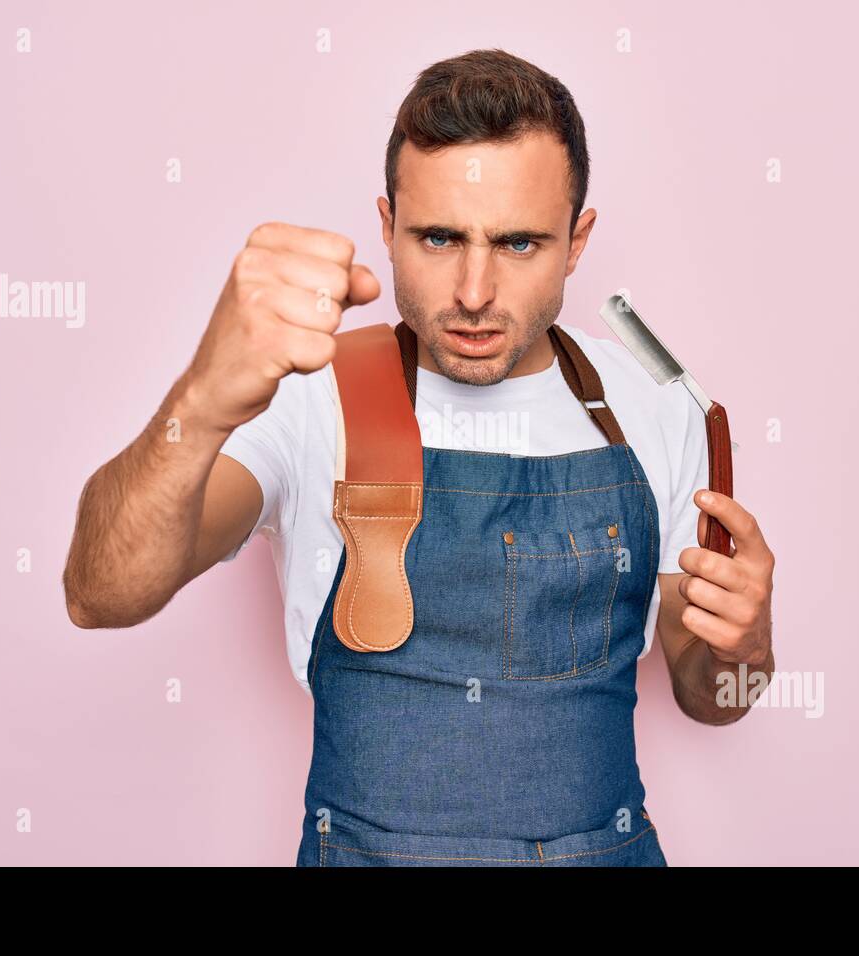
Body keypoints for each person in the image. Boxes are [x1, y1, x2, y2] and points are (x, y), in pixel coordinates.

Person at [62, 48, 776, 867]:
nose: (474, 292)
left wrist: (747, 651)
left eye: (518, 244)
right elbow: (100, 593)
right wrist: (200, 400)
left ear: (577, 242)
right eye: (439, 238)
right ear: (387, 225)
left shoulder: (656, 407)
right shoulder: (306, 396)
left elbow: (712, 701)